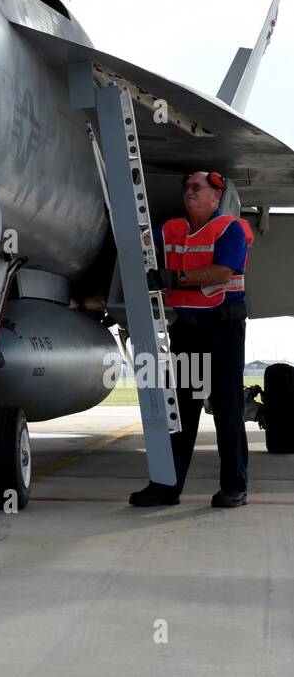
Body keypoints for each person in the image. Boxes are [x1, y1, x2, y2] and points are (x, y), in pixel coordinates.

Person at [129, 170, 253, 509]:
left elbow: (223, 272)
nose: (189, 192)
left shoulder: (231, 229)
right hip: (187, 329)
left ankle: (234, 486)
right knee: (180, 413)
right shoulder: (171, 230)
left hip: (223, 330)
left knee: (228, 409)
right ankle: (166, 487)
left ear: (216, 196)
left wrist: (174, 277)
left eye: (197, 188)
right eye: (186, 187)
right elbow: (140, 240)